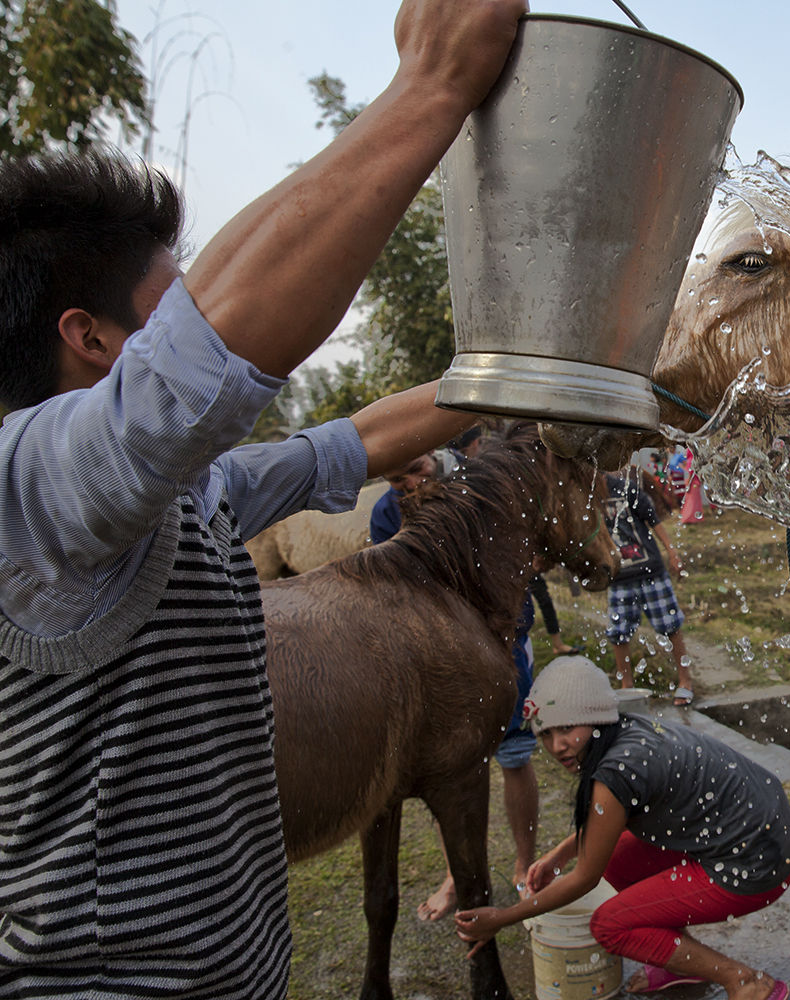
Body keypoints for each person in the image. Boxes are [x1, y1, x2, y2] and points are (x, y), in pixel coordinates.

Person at [0, 0, 527, 993]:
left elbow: (356, 440)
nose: (202, 319)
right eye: (172, 311)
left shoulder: (184, 499)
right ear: (91, 337)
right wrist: (429, 92)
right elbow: (188, 380)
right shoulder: (24, 489)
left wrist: (528, 370)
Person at [454, 658, 790, 1000]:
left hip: (757, 862)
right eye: (546, 733)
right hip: (756, 832)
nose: (557, 745)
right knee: (617, 860)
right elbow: (606, 825)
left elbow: (584, 878)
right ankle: (677, 962)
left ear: (595, 718)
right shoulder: (626, 732)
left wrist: (502, 917)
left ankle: (744, 980)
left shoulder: (615, 772)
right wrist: (560, 854)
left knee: (610, 926)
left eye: (567, 728)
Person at [366, 444, 543, 916]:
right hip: (441, 660)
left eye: (416, 470)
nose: (411, 486)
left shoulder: (485, 486)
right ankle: (453, 876)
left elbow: (522, 555)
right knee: (451, 773)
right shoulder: (387, 515)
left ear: (432, 453)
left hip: (504, 643)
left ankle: (526, 867)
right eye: (397, 482)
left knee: (514, 754)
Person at [603, 468, 693, 704]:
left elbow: (653, 521)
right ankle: (626, 685)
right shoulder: (586, 498)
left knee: (670, 624)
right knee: (618, 633)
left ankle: (685, 680)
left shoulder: (626, 489)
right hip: (618, 577)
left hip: (649, 569)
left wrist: (671, 553)